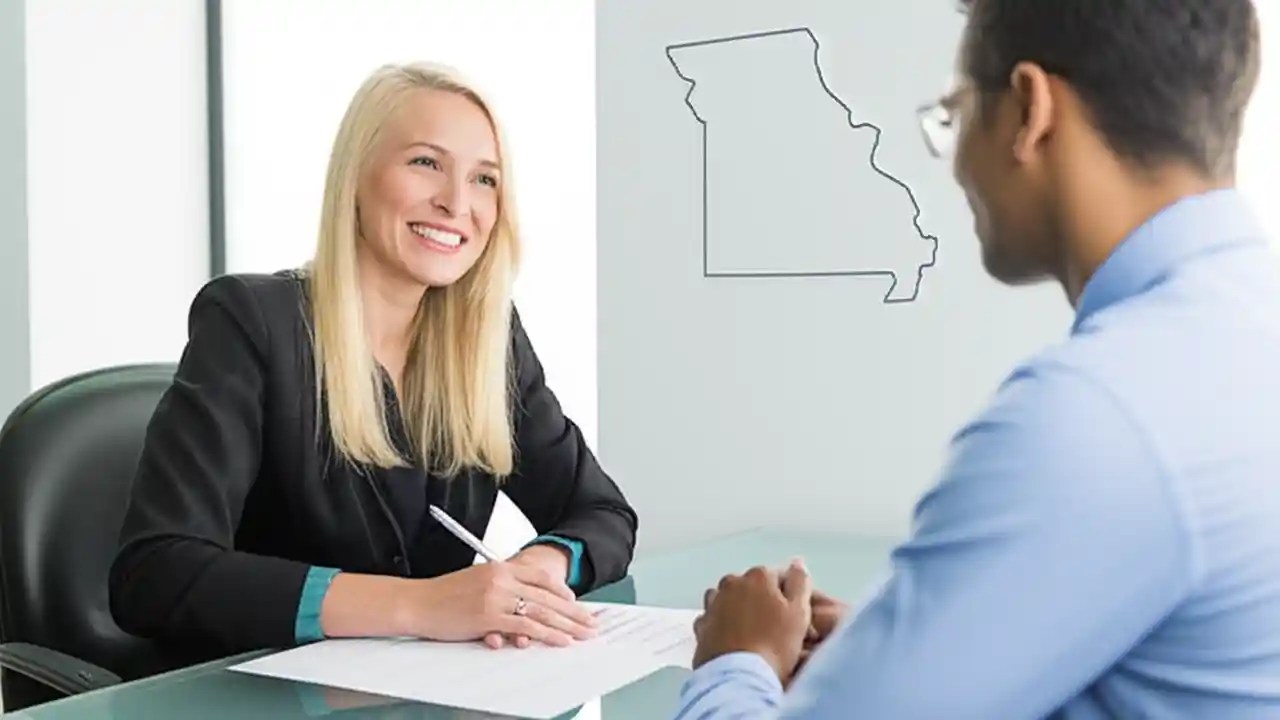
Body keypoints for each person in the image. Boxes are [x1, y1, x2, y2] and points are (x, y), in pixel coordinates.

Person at [678, 0, 1280, 718]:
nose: (957, 160)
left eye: (956, 111)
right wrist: (910, 644)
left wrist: (734, 660)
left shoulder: (1096, 415)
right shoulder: (1240, 335)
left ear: (1029, 108)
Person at [108, 62, 637, 661]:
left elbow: (601, 511)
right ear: (356, 176)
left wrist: (538, 573)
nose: (456, 203)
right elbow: (155, 574)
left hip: (420, 693)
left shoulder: (488, 340)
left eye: (485, 179)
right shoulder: (253, 323)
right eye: (426, 163)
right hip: (261, 691)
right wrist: (424, 606)